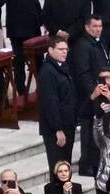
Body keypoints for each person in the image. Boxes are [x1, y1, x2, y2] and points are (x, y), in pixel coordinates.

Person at [38, 35, 76, 172]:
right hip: (56, 128)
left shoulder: (63, 67)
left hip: (67, 123)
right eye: (61, 49)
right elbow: (50, 103)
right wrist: (57, 129)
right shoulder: (47, 72)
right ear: (50, 50)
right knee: (58, 167)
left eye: (66, 49)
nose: (65, 52)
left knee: (66, 167)